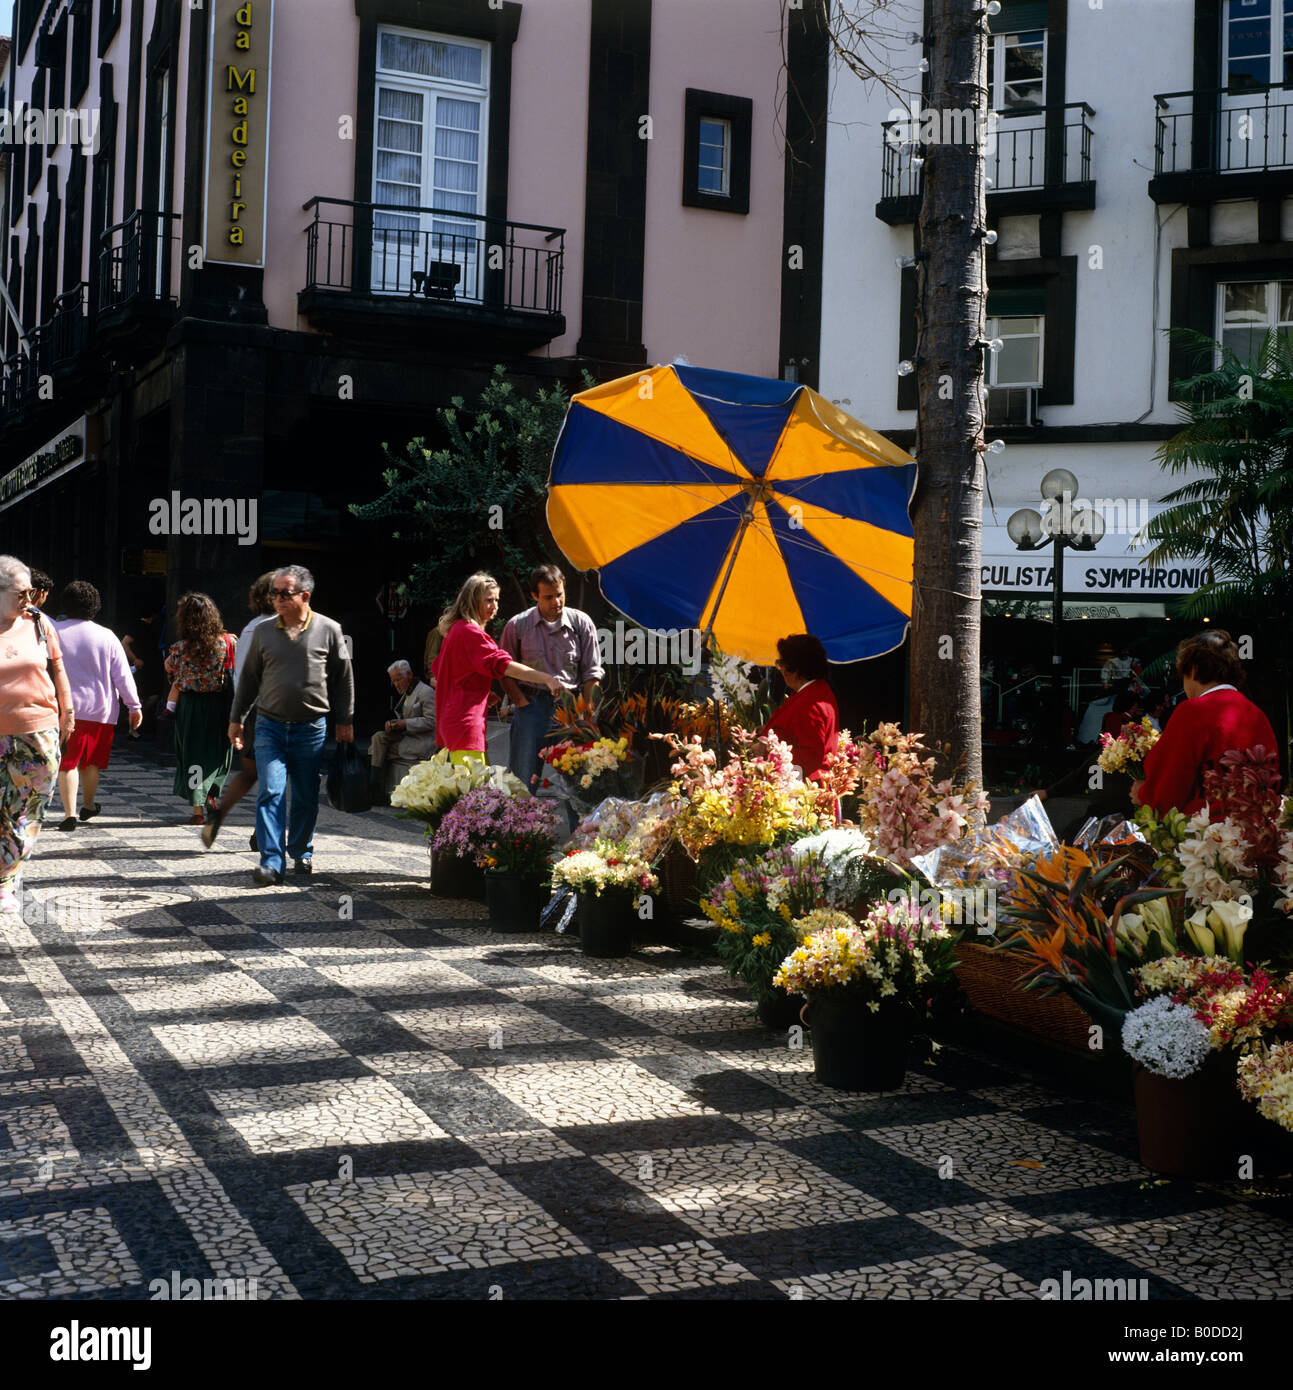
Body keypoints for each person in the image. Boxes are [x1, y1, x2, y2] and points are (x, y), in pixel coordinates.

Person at [229, 565, 355, 886]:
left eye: (285, 593)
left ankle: (301, 849)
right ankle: (271, 862)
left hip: (311, 728)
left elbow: (343, 679)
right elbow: (249, 680)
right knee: (270, 791)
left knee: (305, 796)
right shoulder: (263, 631)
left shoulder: (330, 629)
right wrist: (236, 719)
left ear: (305, 596)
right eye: (274, 593)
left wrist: (346, 721)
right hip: (270, 726)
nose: (277, 599)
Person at [1133, 629, 1279, 816]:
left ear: (1193, 669)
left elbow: (1169, 785)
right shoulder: (1258, 714)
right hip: (1254, 832)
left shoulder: (1192, 711)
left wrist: (1144, 794)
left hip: (1205, 835)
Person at [0, 556, 74, 912]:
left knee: (28, 808)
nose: (28, 598)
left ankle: (7, 877)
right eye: (20, 592)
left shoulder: (40, 624)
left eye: (31, 591)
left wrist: (67, 711)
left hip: (38, 731)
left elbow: (57, 669)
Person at [433, 572, 563, 762]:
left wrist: (478, 693)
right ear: (472, 600)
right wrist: (547, 679)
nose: (495, 606)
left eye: (497, 600)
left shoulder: (456, 630)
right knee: (475, 789)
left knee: (475, 789)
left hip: (454, 722)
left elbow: (444, 673)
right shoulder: (470, 632)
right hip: (465, 726)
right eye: (488, 600)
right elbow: (505, 666)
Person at [499, 564, 604, 788]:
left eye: (559, 594)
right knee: (521, 782)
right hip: (531, 707)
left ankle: (580, 825)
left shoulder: (581, 623)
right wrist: (520, 701)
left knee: (579, 782)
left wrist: (587, 713)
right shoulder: (517, 626)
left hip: (571, 707)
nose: (556, 602)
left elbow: (592, 672)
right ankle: (520, 824)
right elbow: (503, 669)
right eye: (548, 597)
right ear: (534, 595)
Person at [52, 582, 142, 830]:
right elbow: (122, 675)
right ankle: (88, 805)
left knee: (67, 762)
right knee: (91, 762)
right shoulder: (107, 636)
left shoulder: (53, 631)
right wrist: (134, 706)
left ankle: (69, 814)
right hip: (101, 711)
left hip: (64, 708)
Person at [202, 572, 276, 850]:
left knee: (249, 773)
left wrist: (239, 717)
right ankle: (262, 831)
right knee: (274, 775)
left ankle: (220, 813)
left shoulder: (249, 627)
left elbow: (240, 675)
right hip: (272, 709)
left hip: (249, 708)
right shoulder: (276, 628)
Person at [165, 593, 237, 826]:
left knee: (193, 756)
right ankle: (212, 795)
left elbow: (172, 676)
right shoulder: (228, 643)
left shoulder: (178, 649)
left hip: (190, 708)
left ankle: (197, 809)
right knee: (218, 755)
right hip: (220, 706)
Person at [759, 633, 839, 780]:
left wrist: (767, 751)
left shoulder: (811, 703)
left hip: (804, 792)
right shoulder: (815, 692)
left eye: (781, 663)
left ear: (794, 670)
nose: (780, 669)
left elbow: (810, 758)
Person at [367, 660, 437, 802]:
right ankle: (374, 787)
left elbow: (432, 721)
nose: (396, 684)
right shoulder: (408, 693)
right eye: (394, 681)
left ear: (409, 674)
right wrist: (394, 724)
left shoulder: (425, 692)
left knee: (377, 749)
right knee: (378, 737)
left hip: (422, 742)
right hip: (408, 736)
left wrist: (405, 723)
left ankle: (374, 788)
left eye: (399, 679)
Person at [122, 600, 166, 738]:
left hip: (152, 666)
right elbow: (124, 643)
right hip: (143, 667)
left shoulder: (154, 626)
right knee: (140, 697)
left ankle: (134, 723)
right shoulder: (138, 626)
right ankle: (132, 728)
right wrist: (135, 659)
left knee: (153, 696)